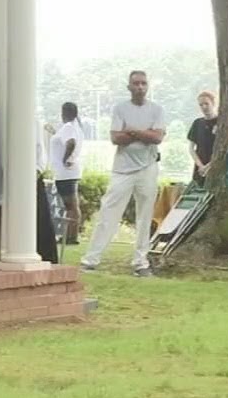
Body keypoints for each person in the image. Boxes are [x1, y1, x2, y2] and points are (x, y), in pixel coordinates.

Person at [80, 71, 165, 277]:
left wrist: (133, 131)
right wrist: (144, 133)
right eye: (136, 83)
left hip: (147, 168)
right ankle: (91, 259)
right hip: (122, 170)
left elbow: (157, 138)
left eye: (143, 83)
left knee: (144, 216)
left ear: (147, 86)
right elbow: (116, 138)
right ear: (129, 87)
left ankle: (140, 262)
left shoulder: (156, 109)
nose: (140, 87)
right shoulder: (120, 108)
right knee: (108, 212)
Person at [50, 102, 84, 244]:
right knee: (72, 205)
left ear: (63, 113)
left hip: (65, 173)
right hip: (69, 172)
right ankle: (71, 235)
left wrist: (65, 158)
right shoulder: (75, 127)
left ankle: (71, 236)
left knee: (70, 205)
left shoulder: (68, 127)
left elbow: (70, 143)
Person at [188, 91, 218, 186]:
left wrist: (210, 165)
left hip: (216, 165)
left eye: (206, 104)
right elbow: (191, 148)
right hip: (200, 165)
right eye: (201, 105)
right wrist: (200, 165)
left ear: (213, 103)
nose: (204, 107)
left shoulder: (220, 122)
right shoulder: (197, 123)